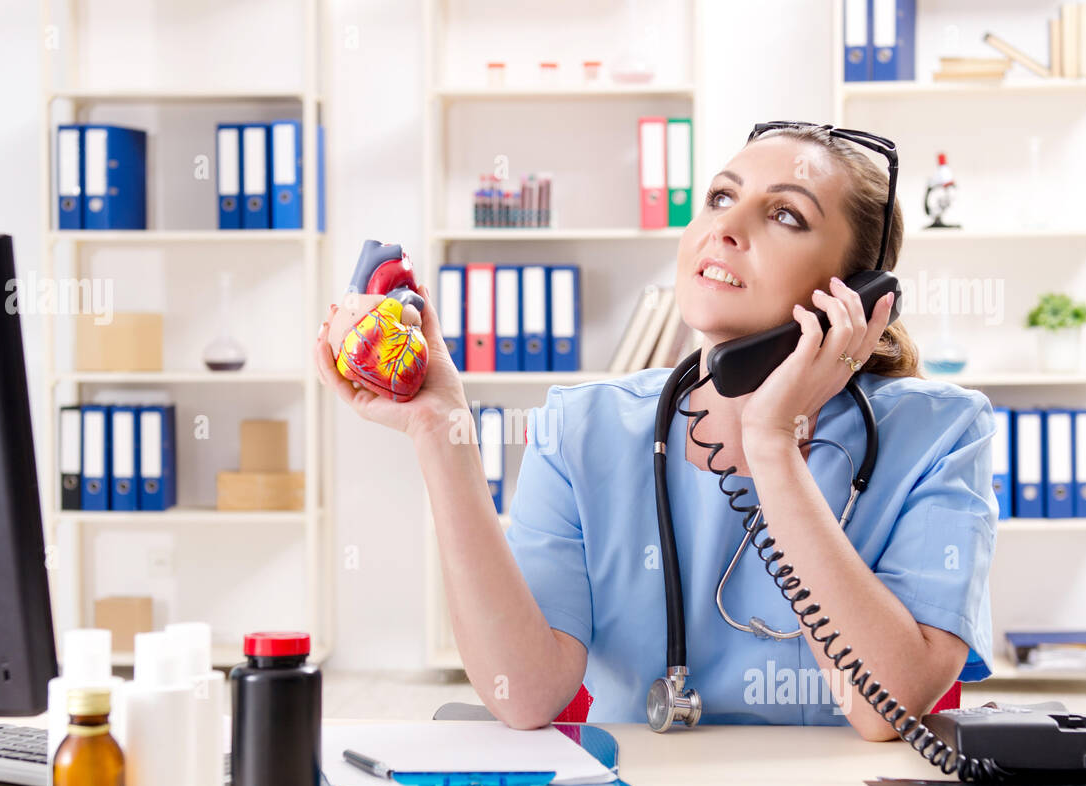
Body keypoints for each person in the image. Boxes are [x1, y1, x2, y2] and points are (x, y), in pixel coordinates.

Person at [315, 124, 997, 740]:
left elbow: (888, 706)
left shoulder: (940, 434)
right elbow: (525, 695)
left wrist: (771, 443)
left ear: (860, 296)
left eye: (785, 214)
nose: (725, 228)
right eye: (721, 197)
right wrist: (442, 434)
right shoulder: (581, 429)